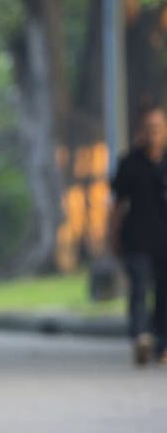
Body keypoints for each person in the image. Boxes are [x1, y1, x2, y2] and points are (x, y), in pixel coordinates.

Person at [110, 102, 167, 366]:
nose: (152, 133)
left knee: (164, 292)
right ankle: (140, 337)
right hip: (137, 237)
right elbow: (117, 204)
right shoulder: (129, 163)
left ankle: (162, 343)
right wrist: (112, 236)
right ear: (140, 131)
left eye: (157, 127)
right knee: (140, 289)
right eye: (148, 128)